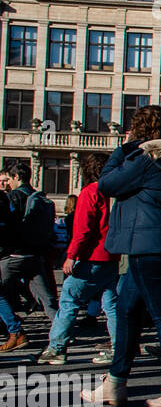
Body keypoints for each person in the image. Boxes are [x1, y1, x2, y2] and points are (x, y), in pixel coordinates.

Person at [82, 106, 161, 407]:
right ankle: (115, 382)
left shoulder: (145, 157)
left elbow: (106, 183)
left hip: (145, 245)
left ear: (140, 130)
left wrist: (123, 148)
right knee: (126, 310)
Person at [37, 154, 118, 365]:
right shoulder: (116, 194)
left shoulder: (90, 192)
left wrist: (71, 256)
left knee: (69, 301)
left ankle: (57, 348)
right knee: (111, 305)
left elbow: (83, 230)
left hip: (90, 256)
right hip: (111, 256)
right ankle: (119, 347)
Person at [0, 162, 60, 351]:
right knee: (47, 298)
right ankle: (62, 332)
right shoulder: (39, 196)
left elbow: (7, 226)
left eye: (8, 179)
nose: (7, 183)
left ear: (16, 177)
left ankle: (14, 330)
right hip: (36, 254)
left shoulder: (13, 197)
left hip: (14, 254)